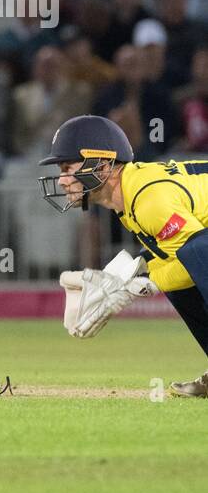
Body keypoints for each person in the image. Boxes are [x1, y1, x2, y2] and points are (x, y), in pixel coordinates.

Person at [35, 114, 208, 395]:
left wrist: (136, 288)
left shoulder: (148, 197)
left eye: (67, 167)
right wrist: (125, 279)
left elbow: (199, 256)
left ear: (102, 165)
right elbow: (176, 261)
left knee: (191, 259)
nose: (62, 181)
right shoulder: (131, 197)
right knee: (168, 274)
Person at [10, 46, 92, 158]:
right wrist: (24, 150)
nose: (48, 70)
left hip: (65, 155)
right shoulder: (22, 95)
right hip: (30, 154)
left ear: (62, 66)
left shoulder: (78, 93)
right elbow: (18, 131)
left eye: (53, 65)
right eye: (44, 65)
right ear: (35, 68)